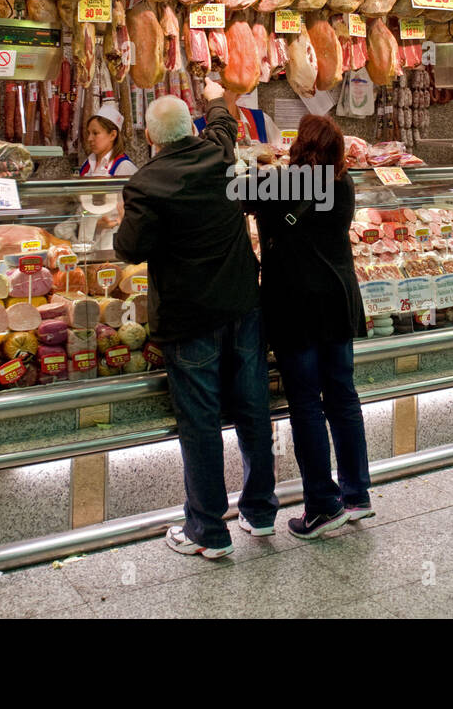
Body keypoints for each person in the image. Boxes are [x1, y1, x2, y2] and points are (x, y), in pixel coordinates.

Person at [114, 79, 277, 559]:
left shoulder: (145, 183)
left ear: (150, 138)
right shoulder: (221, 155)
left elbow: (130, 250)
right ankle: (261, 512)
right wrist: (213, 92)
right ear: (194, 129)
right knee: (253, 409)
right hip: (243, 305)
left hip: (190, 318)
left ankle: (208, 529)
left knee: (201, 421)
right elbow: (225, 122)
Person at [249, 114, 371, 539]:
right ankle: (356, 495)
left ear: (300, 148)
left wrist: (260, 164)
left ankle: (322, 504)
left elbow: (233, 191)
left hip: (295, 306)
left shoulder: (283, 184)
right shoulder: (344, 184)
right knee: (342, 396)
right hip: (338, 301)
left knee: (307, 404)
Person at [77, 103, 137, 253]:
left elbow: (134, 211)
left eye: (95, 133)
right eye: (88, 133)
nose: (90, 138)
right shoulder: (87, 164)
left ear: (112, 135)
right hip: (85, 242)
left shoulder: (124, 167)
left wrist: (114, 222)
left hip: (110, 245)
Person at [192, 90, 280, 147]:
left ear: (238, 93)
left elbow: (279, 152)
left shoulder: (261, 119)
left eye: (223, 86)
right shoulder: (197, 128)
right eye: (210, 88)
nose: (214, 94)